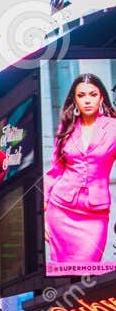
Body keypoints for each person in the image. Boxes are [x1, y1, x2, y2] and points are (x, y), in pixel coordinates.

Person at [44, 73, 116, 272]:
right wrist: (42, 213)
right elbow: (55, 171)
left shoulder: (113, 128)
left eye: (93, 94)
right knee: (64, 275)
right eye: (81, 95)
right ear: (75, 100)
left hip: (95, 215)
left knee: (88, 272)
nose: (87, 100)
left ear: (101, 98)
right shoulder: (67, 127)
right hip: (60, 210)